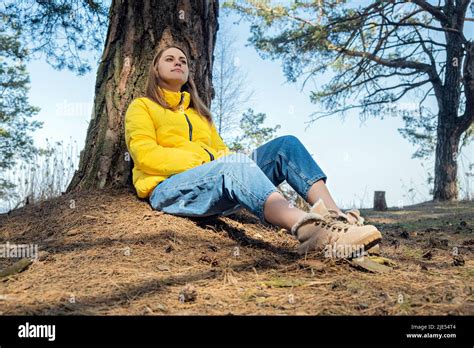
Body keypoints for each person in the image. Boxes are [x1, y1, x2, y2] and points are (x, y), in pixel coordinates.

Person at [124, 45, 382, 258]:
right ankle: (313, 231)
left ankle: (338, 220)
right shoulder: (142, 106)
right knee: (234, 162)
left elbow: (222, 152)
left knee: (286, 145)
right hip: (168, 189)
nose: (178, 62)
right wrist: (206, 159)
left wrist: (218, 160)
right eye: (169, 59)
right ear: (156, 70)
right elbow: (146, 155)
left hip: (214, 184)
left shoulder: (201, 115)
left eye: (183, 60)